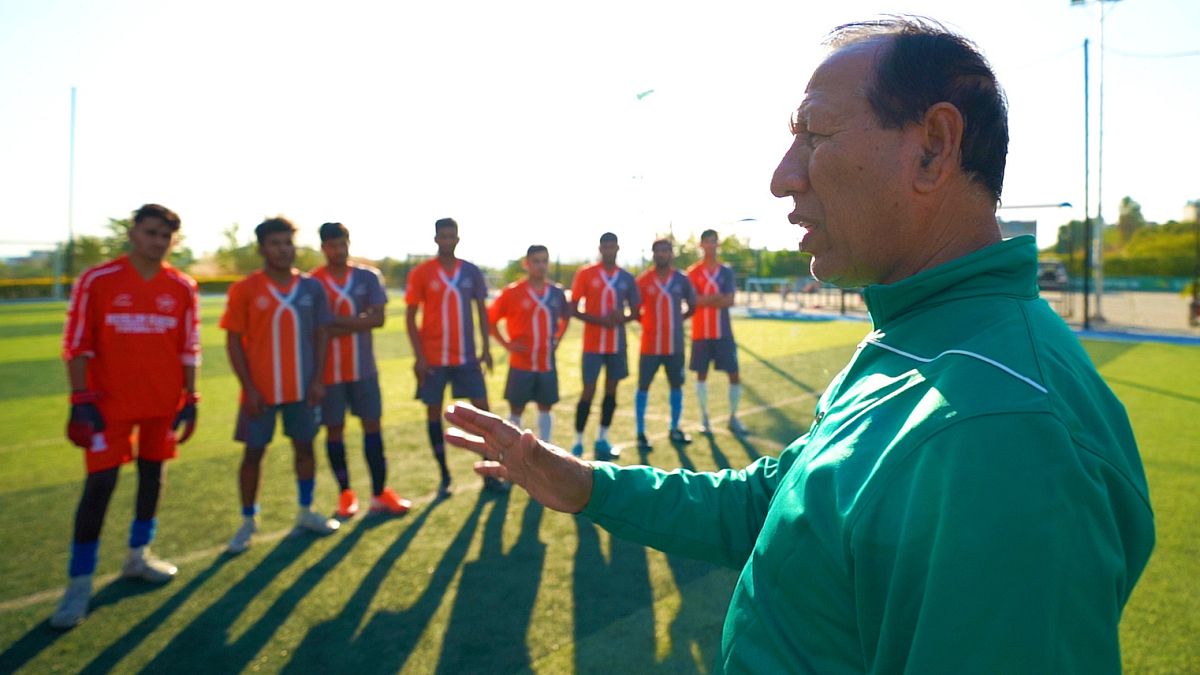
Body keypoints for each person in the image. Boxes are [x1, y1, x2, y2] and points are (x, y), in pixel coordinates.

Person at [443, 17, 1155, 673]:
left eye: (814, 134)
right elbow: (775, 502)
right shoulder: (914, 340)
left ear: (934, 149)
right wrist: (590, 483)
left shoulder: (1002, 432)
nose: (783, 176)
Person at [51, 204, 201, 629]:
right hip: (107, 406)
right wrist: (80, 398)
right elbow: (76, 342)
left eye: (166, 236)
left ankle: (138, 555)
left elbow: (189, 345)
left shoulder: (182, 286)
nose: (158, 241)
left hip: (162, 403)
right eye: (151, 232)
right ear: (134, 233)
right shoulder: (97, 280)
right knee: (100, 486)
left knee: (153, 478)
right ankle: (79, 582)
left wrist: (190, 396)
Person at [222, 217, 341, 554]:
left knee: (305, 449)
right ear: (262, 248)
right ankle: (248, 520)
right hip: (261, 392)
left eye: (288, 243)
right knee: (253, 455)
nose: (283, 249)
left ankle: (305, 511)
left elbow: (321, 336)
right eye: (275, 243)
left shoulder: (311, 288)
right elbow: (233, 342)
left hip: (303, 391)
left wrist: (317, 380)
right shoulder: (245, 289)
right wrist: (249, 387)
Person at [311, 222, 411, 518]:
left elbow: (377, 319)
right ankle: (345, 494)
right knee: (335, 431)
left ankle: (380, 493)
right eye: (331, 245)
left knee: (373, 427)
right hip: (328, 373)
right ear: (323, 247)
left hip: (364, 370)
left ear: (348, 243)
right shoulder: (313, 282)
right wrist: (357, 321)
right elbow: (317, 328)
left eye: (342, 244)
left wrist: (334, 324)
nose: (337, 250)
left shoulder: (368, 277)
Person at [405, 217, 497, 496]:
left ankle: (490, 471)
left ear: (458, 238)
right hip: (433, 360)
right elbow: (410, 317)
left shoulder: (470, 272)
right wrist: (419, 356)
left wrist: (486, 348)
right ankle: (444, 475)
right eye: (442, 236)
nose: (447, 240)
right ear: (435, 239)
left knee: (483, 413)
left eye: (451, 236)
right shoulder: (422, 272)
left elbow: (482, 311)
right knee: (434, 413)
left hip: (467, 358)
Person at [568, 232, 640, 460]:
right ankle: (577, 441)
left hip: (617, 345)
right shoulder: (586, 274)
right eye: (605, 246)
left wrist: (622, 317)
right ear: (600, 249)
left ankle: (602, 438)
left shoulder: (627, 278)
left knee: (611, 390)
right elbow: (573, 309)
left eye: (612, 246)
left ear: (618, 248)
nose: (609, 250)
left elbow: (636, 312)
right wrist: (600, 320)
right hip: (592, 345)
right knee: (588, 390)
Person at [488, 245, 570, 442]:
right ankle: (514, 451)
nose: (541, 266)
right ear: (526, 264)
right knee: (516, 408)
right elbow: (489, 321)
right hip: (521, 362)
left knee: (546, 406)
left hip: (546, 362)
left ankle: (547, 448)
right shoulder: (512, 292)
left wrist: (557, 338)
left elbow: (566, 317)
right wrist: (506, 344)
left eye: (544, 261)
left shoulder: (556, 292)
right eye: (536, 261)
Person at [633, 238, 696, 451]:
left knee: (676, 385)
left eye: (666, 250)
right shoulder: (643, 280)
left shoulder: (681, 279)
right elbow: (634, 310)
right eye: (658, 251)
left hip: (675, 346)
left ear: (672, 254)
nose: (662, 254)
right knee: (643, 386)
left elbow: (692, 305)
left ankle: (675, 428)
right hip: (649, 346)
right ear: (653, 254)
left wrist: (676, 323)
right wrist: (650, 324)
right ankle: (640, 432)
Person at [687, 229, 745, 435]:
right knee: (701, 375)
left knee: (734, 374)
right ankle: (704, 419)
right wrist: (716, 297)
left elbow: (730, 300)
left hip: (723, 334)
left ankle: (733, 417)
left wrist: (705, 299)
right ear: (701, 245)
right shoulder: (693, 272)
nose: (710, 245)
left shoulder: (725, 271)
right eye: (707, 242)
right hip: (701, 334)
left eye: (714, 242)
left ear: (717, 245)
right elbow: (693, 301)